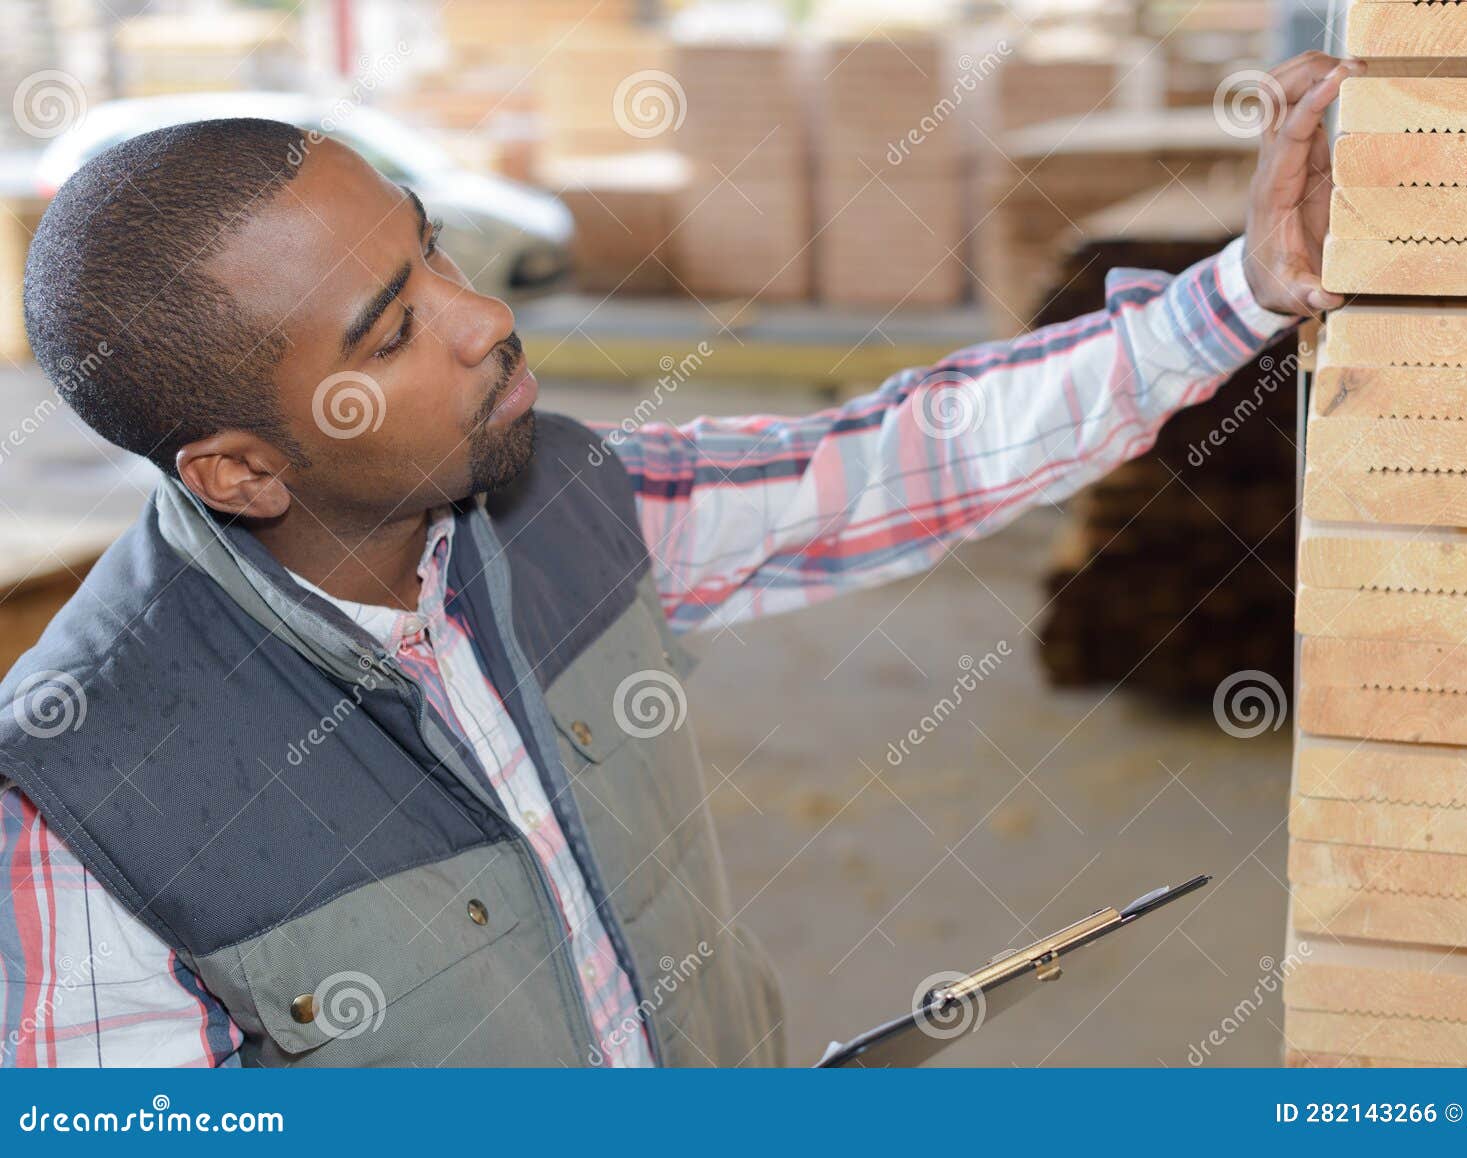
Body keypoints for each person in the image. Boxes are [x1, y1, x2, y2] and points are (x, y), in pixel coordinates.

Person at [0, 52, 1360, 1067]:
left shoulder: (559, 504)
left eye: (436, 254)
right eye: (391, 332)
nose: (484, 323)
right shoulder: (82, 801)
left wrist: (1228, 297)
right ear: (239, 467)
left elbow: (886, 467)